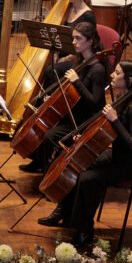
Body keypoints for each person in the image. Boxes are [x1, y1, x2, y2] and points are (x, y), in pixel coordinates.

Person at [41, 60, 132, 249]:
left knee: (88, 179)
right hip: (118, 155)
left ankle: (84, 230)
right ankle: (67, 214)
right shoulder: (123, 97)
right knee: (80, 163)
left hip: (130, 164)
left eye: (117, 73)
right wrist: (84, 136)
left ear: (129, 79)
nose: (112, 75)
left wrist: (115, 120)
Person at [22, 22, 108, 175]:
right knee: (43, 126)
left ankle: (49, 174)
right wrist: (54, 97)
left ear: (90, 42)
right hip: (74, 112)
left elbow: (95, 103)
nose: (73, 42)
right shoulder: (80, 61)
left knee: (49, 136)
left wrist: (77, 81)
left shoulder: (98, 70)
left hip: (84, 120)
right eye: (73, 38)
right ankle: (39, 162)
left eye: (78, 38)